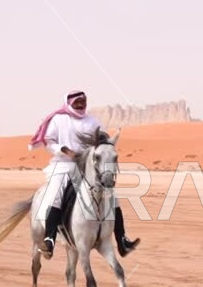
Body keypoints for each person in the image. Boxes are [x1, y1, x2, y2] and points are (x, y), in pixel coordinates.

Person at [28, 90, 140, 258]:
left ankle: (122, 240)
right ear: (69, 103)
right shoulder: (59, 120)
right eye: (78, 102)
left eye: (83, 102)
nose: (81, 105)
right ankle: (50, 239)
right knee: (55, 196)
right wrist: (67, 151)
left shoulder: (92, 121)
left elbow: (102, 142)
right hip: (64, 165)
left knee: (112, 198)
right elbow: (49, 142)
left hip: (88, 168)